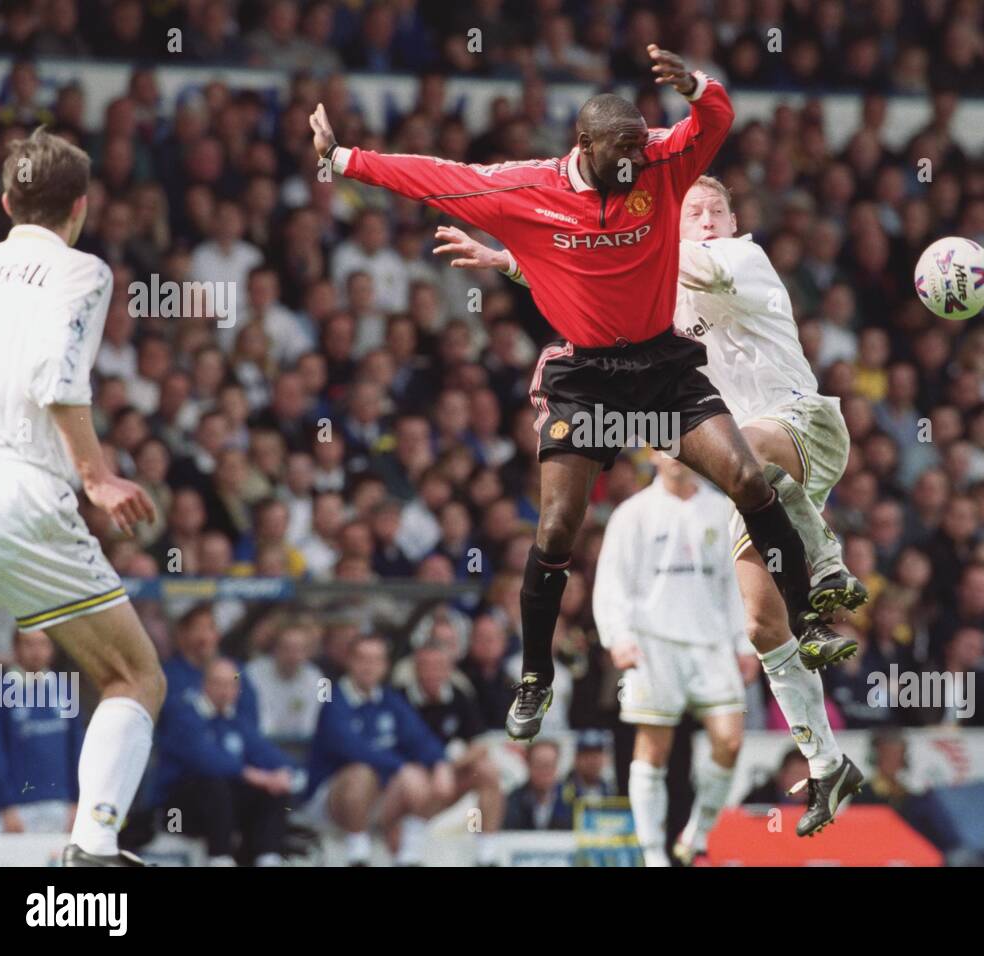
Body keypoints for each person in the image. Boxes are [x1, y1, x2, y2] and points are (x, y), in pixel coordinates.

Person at [309, 45, 855, 748]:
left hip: (662, 369)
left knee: (749, 477)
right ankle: (536, 675)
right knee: (557, 528)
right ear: (585, 144)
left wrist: (697, 86)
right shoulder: (527, 189)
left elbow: (714, 123)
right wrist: (343, 158)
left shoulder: (659, 164)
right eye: (621, 148)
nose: (634, 158)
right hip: (586, 379)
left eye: (640, 143)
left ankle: (809, 615)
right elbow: (438, 177)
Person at [443, 175, 869, 835]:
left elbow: (629, 258)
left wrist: (633, 231)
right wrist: (512, 264)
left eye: (716, 209)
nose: (706, 217)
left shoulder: (739, 257)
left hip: (801, 424)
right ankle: (828, 763)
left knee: (746, 454)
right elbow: (599, 284)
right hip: (757, 481)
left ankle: (828, 561)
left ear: (734, 221)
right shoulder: (666, 287)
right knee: (763, 625)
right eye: (693, 211)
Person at [0, 128, 166, 866]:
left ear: (6, 203)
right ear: (81, 207)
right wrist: (97, 476)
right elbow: (59, 376)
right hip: (19, 493)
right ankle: (91, 846)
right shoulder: (81, 271)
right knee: (133, 675)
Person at [593, 451, 751, 865]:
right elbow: (612, 582)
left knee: (730, 741)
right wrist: (618, 636)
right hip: (653, 643)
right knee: (653, 749)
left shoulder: (723, 509)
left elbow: (737, 584)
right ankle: (652, 855)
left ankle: (697, 834)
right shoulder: (633, 514)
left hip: (712, 643)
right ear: (651, 453)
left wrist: (744, 644)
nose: (676, 454)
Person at [304, 634, 448, 866]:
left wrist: (439, 763)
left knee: (430, 777)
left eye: (376, 660)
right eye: (362, 659)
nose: (369, 666)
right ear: (350, 661)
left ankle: (409, 852)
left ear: (385, 665)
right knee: (362, 773)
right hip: (331, 799)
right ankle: (358, 853)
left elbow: (420, 738)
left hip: (380, 795)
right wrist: (401, 767)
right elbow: (351, 748)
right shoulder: (333, 699)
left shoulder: (389, 699)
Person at [154, 658, 295, 866]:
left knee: (273, 790)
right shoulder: (184, 715)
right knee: (213, 783)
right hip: (179, 809)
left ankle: (268, 857)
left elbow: (263, 750)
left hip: (225, 807)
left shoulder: (235, 720)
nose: (225, 691)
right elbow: (206, 760)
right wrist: (252, 775)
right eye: (218, 683)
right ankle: (220, 858)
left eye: (231, 685)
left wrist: (281, 771)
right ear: (204, 684)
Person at [398, 641, 505, 866]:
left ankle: (486, 854)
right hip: (408, 774)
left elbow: (480, 743)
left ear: (449, 670)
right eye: (426, 666)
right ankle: (410, 846)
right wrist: (437, 765)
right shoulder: (400, 698)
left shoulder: (458, 696)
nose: (432, 672)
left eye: (438, 666)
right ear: (415, 668)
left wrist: (449, 765)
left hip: (447, 774)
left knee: (487, 770)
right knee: (418, 779)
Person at [0, 630, 84, 834]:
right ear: (15, 648)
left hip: (60, 805)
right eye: (29, 644)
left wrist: (77, 800)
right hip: (15, 810)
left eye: (43, 644)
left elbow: (76, 748)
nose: (37, 651)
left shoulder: (65, 689)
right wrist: (5, 805)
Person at [502, 740, 573, 831]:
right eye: (538, 765)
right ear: (528, 765)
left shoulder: (573, 799)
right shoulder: (513, 801)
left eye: (548, 765)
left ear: (556, 766)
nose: (544, 772)